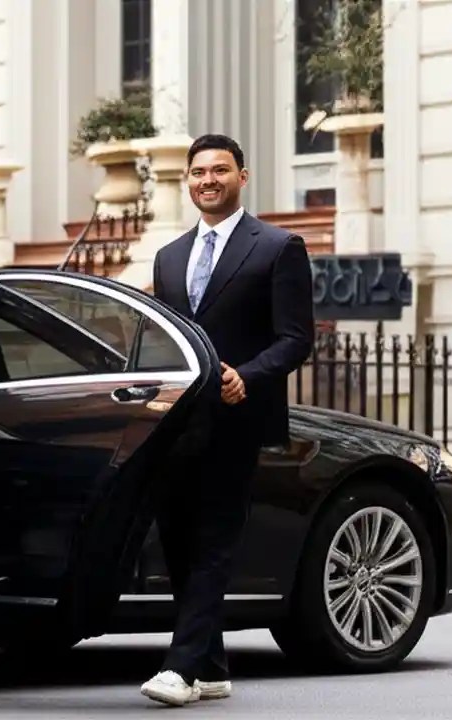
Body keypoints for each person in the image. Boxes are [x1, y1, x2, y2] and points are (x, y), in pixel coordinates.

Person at [140, 134, 315, 706]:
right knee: (181, 544)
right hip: (178, 427)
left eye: (219, 170)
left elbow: (295, 339)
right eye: (198, 172)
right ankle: (212, 667)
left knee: (215, 542)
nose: (207, 180)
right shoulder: (168, 258)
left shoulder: (277, 247)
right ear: (187, 181)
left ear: (243, 176)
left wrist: (250, 375)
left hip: (238, 422)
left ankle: (182, 667)